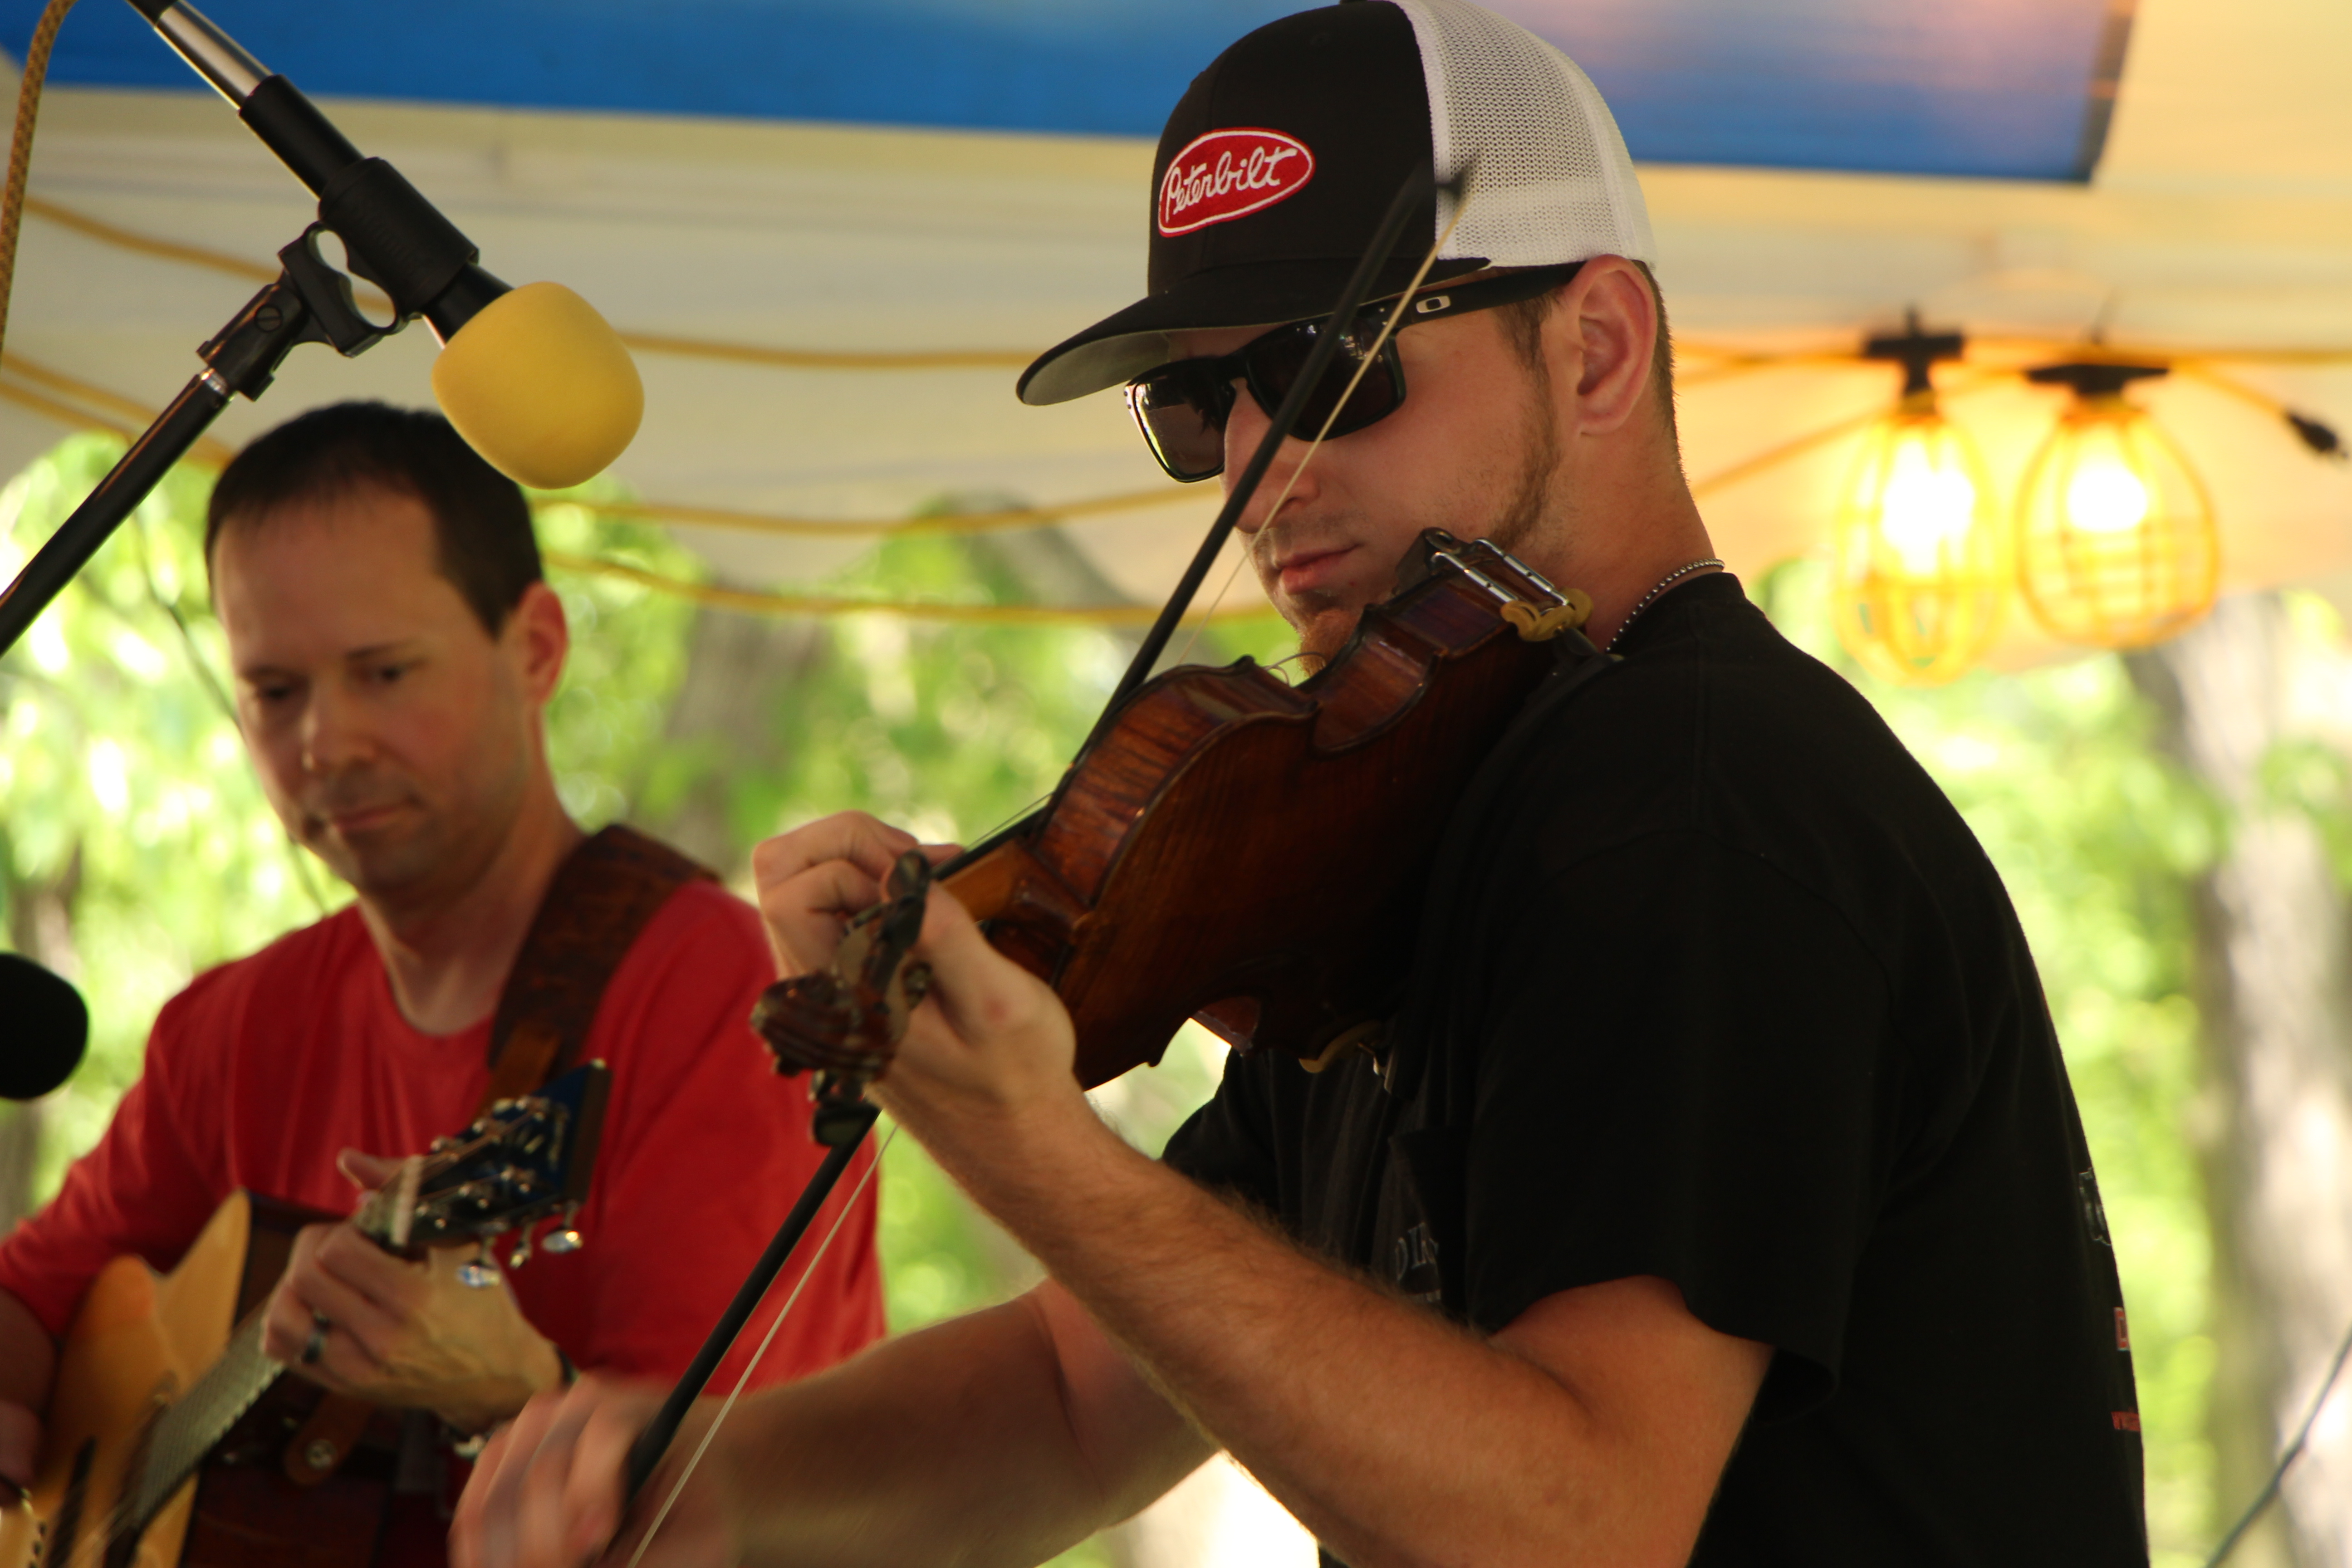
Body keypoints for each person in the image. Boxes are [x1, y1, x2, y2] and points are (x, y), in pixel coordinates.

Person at [452, 3, 2149, 1563]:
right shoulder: (1397, 824)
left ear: (1600, 348)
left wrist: (1037, 1148)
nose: (1259, 462)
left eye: (1338, 364)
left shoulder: (1689, 793)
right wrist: (700, 1481)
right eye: (1203, 404)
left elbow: (1585, 1519)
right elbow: (1072, 1390)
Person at [0, 403, 885, 1560]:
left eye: (382, 671)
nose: (326, 741)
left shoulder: (728, 995)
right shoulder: (230, 1031)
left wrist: (512, 1388)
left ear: (537, 649)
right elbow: (30, 1295)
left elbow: (761, 1500)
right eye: (275, 691)